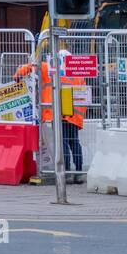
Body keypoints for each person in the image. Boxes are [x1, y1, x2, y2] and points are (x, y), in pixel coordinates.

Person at [15, 49, 86, 177]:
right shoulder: (77, 73)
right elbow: (84, 96)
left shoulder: (50, 66)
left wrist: (17, 76)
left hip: (57, 112)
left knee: (62, 142)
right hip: (74, 115)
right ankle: (78, 171)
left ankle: (65, 172)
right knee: (74, 142)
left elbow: (30, 67)